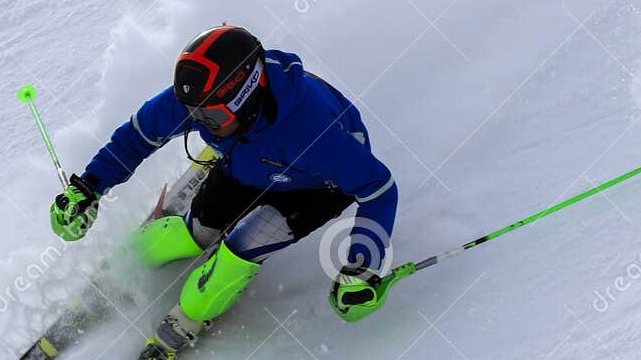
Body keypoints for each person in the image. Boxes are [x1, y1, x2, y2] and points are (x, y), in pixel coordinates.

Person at [49, 24, 397, 333]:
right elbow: (137, 137)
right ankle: (129, 264)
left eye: (210, 116)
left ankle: (190, 316)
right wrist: (88, 187)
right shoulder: (199, 101)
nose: (199, 122)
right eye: (193, 114)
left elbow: (379, 189)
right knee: (191, 235)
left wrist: (362, 268)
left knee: (239, 249)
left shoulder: (311, 131)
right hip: (245, 166)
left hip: (315, 187)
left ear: (246, 96)